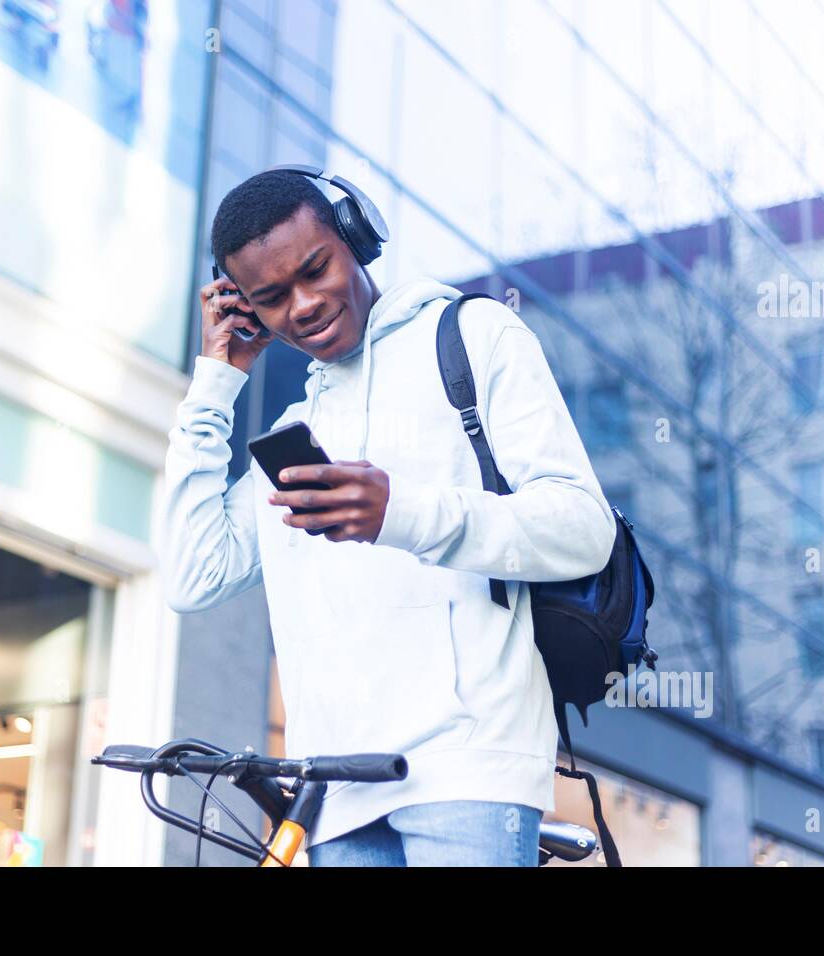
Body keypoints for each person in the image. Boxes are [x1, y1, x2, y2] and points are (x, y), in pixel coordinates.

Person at [162, 169, 615, 866]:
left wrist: (399, 513)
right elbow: (195, 576)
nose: (304, 306)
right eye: (271, 299)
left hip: (469, 769)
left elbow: (583, 527)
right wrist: (215, 383)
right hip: (333, 791)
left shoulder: (472, 337)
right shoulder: (297, 429)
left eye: (315, 270)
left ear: (356, 237)